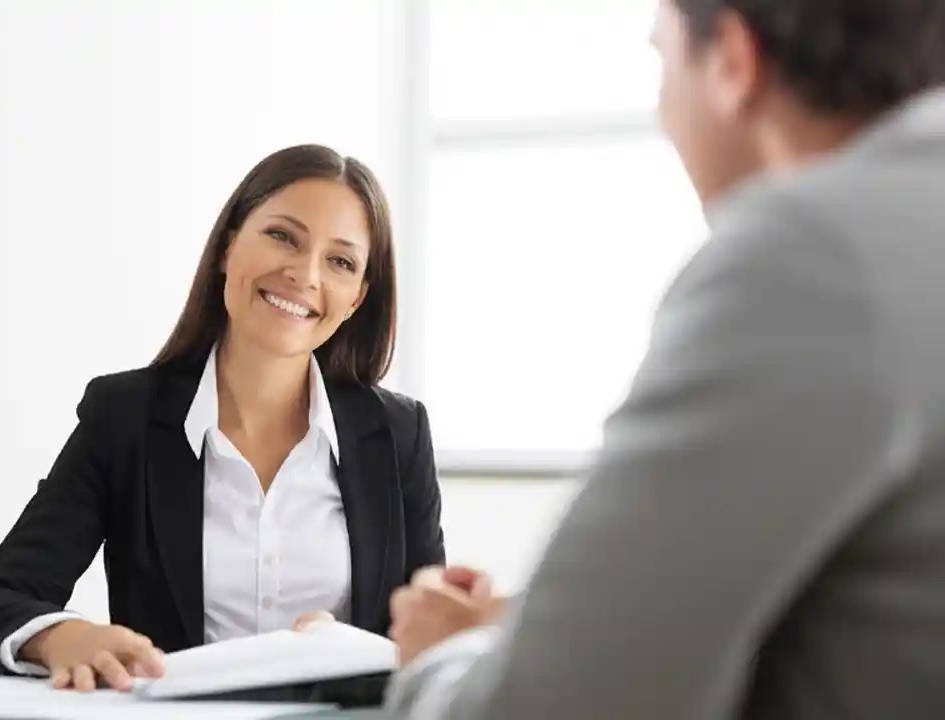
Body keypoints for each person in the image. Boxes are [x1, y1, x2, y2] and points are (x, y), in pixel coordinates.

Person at [385, 0, 945, 717]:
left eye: (662, 60)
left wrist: (440, 656)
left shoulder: (810, 255)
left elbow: (557, 708)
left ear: (733, 62)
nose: (662, 107)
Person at [0, 144, 445, 692]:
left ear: (355, 299)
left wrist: (348, 653)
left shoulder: (398, 435)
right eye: (283, 236)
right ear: (229, 246)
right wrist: (62, 637)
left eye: (341, 261)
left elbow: (437, 649)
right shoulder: (126, 417)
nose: (304, 273)